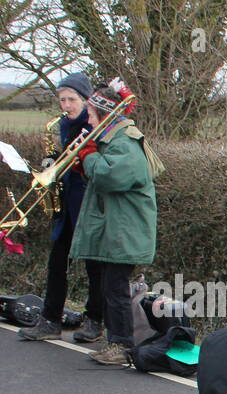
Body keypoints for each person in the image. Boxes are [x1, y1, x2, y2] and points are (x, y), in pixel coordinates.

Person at [67, 80, 161, 366]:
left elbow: (112, 178)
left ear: (104, 114)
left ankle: (121, 344)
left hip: (125, 230)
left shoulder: (125, 140)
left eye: (92, 114)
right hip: (117, 228)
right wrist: (85, 164)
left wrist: (90, 156)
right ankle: (115, 341)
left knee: (115, 288)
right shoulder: (114, 138)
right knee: (110, 286)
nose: (88, 119)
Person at [18, 73, 96, 343]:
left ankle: (94, 321)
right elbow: (62, 156)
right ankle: (50, 319)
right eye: (62, 99)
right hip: (66, 202)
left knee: (93, 265)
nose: (66, 105)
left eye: (71, 99)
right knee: (57, 262)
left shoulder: (94, 124)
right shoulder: (64, 124)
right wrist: (49, 160)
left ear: (85, 100)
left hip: (87, 202)